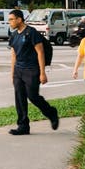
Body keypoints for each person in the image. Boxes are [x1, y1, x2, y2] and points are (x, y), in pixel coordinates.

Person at [8, 8, 59, 136]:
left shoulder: (31, 33)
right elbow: (13, 54)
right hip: (18, 71)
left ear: (19, 19)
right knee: (19, 98)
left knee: (33, 96)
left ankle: (51, 113)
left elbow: (40, 52)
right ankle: (23, 126)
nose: (9, 22)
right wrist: (12, 72)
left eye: (11, 19)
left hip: (31, 70)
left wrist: (42, 72)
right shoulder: (14, 35)